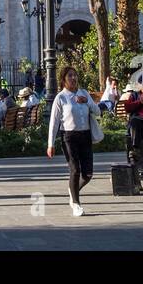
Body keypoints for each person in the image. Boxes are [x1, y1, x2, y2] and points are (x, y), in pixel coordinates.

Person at [47, 67, 100, 216]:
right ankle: (76, 204)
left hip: (85, 136)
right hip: (69, 137)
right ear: (64, 79)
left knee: (88, 174)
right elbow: (54, 121)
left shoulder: (84, 94)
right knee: (75, 169)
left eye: (75, 75)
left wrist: (87, 102)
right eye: (70, 76)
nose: (73, 78)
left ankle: (72, 190)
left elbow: (97, 111)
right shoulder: (61, 97)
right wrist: (50, 143)